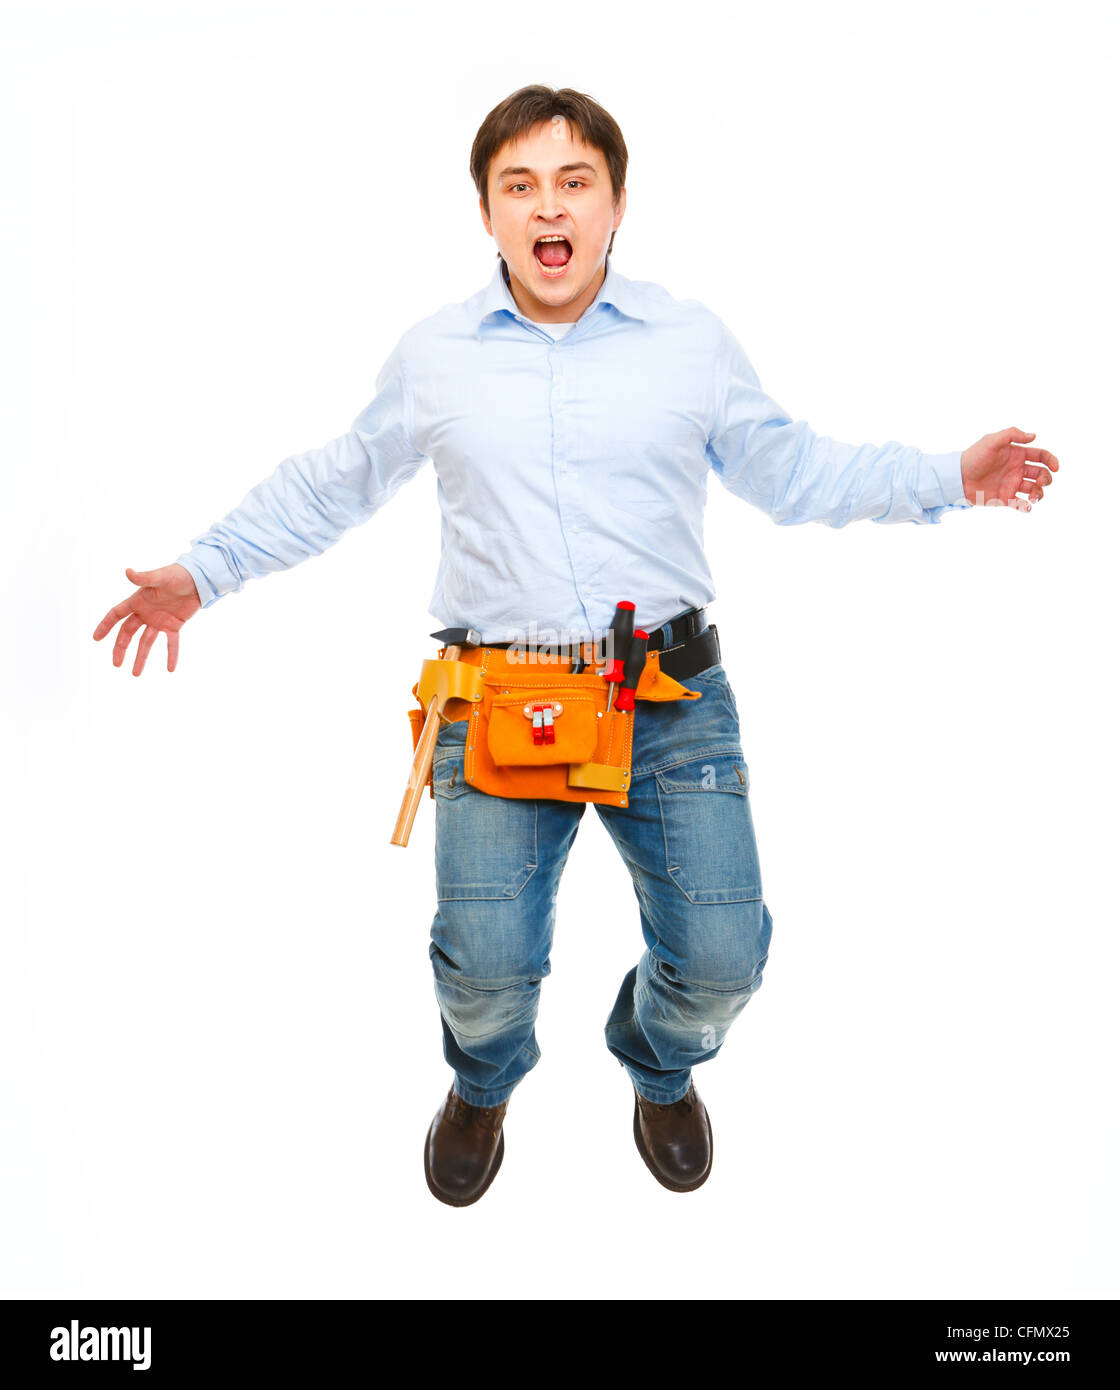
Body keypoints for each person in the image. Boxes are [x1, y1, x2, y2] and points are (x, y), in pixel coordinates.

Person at [92, 85, 1059, 1206]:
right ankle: (484, 1078)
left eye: (572, 182)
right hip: (498, 703)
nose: (547, 208)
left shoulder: (689, 342)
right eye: (519, 185)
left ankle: (657, 1063)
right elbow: (334, 483)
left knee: (719, 961)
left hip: (670, 700)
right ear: (488, 213)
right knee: (485, 964)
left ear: (614, 205)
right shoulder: (435, 356)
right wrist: (205, 571)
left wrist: (948, 474)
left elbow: (795, 471)